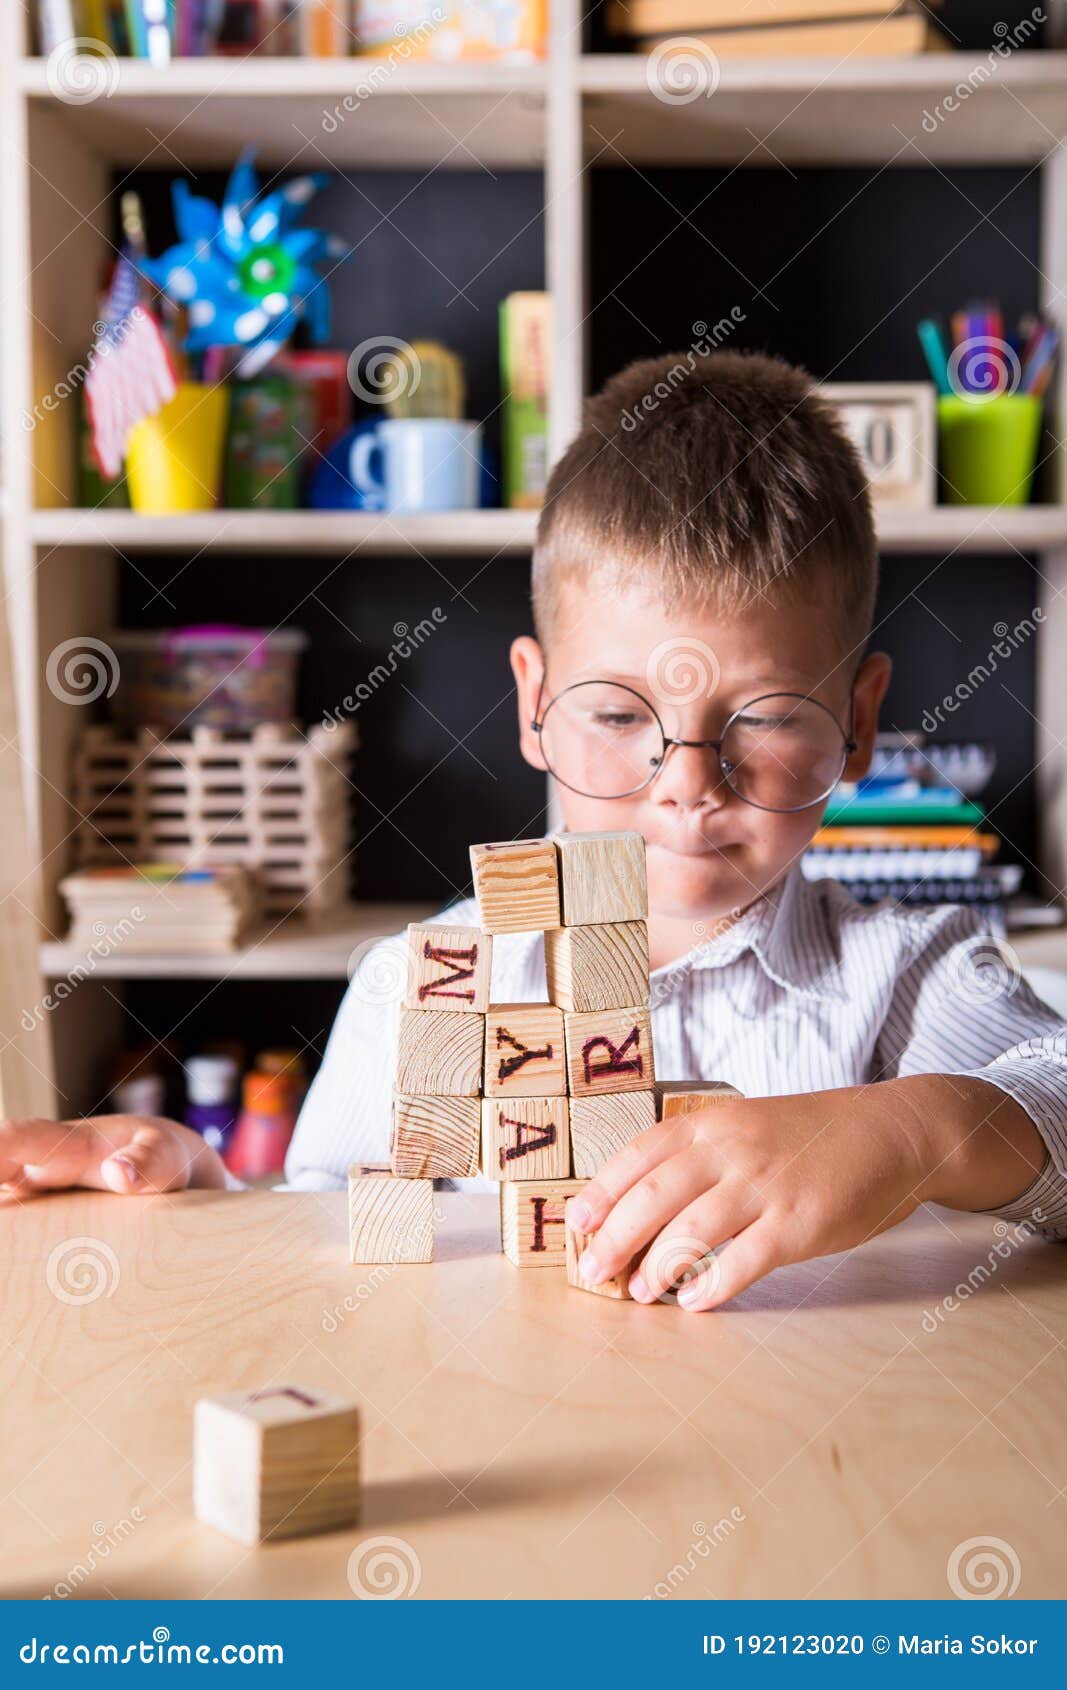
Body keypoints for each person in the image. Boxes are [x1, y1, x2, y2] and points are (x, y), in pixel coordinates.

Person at [5, 351, 1066, 1312]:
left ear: (859, 722)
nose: (687, 784)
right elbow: (330, 1233)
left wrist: (911, 1131)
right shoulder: (410, 983)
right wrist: (197, 1186)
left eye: (764, 717)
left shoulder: (912, 975)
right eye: (616, 716)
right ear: (533, 704)